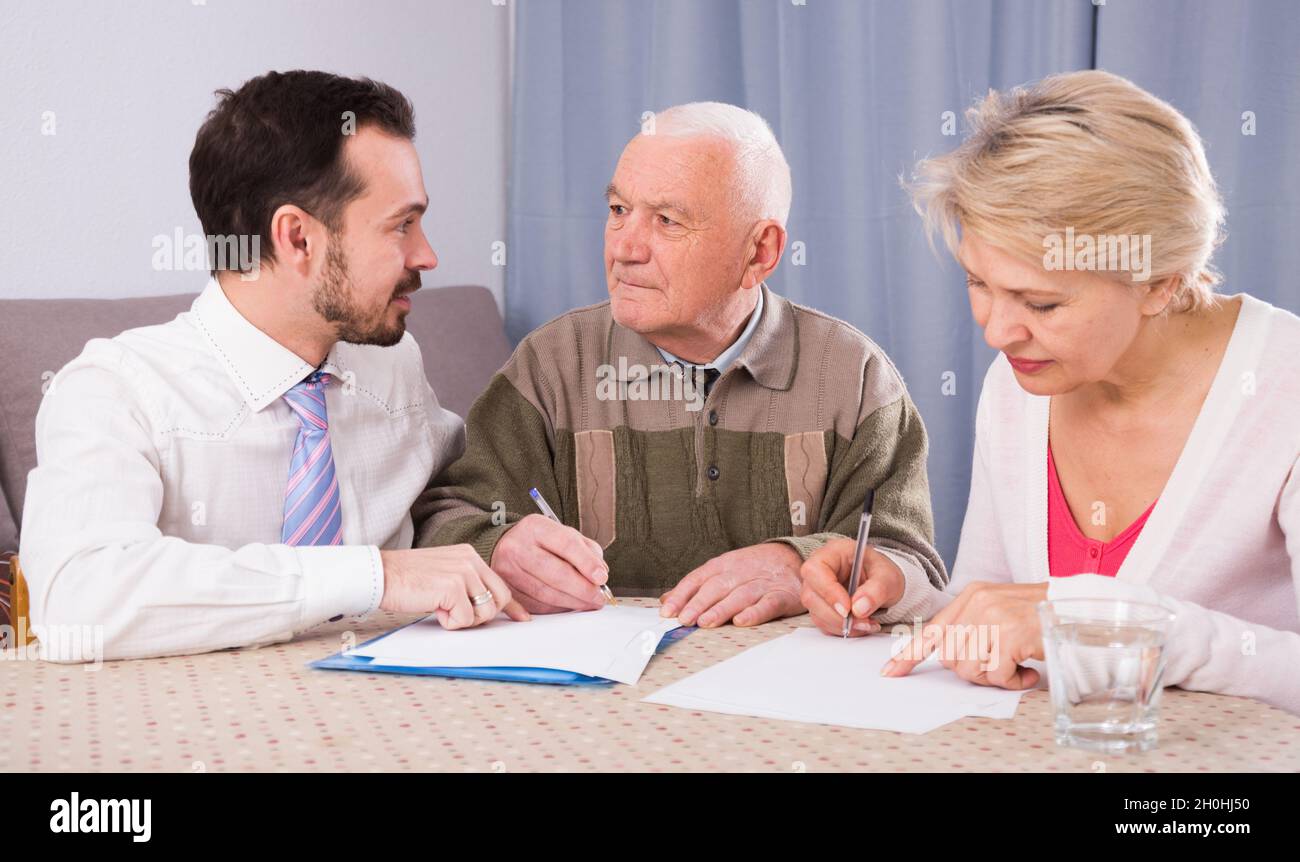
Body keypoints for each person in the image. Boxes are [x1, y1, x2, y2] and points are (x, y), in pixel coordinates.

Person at [800, 70, 1300, 714]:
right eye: (978, 282)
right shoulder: (1022, 378)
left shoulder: (1283, 391)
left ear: (1158, 282)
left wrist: (1118, 621)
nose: (998, 332)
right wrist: (903, 593)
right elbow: (998, 607)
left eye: (1042, 301)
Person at [20, 71, 526, 661]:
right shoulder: (114, 391)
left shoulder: (390, 365)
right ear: (297, 238)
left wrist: (507, 536)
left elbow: (451, 488)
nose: (428, 255)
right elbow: (79, 600)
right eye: (401, 225)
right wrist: (375, 576)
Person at [415, 102, 946, 629]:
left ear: (760, 252)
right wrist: (498, 543)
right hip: (595, 699)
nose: (624, 248)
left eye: (667, 221)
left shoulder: (854, 378)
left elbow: (914, 569)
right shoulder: (550, 365)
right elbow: (444, 519)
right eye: (619, 210)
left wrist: (799, 562)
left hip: (783, 698)